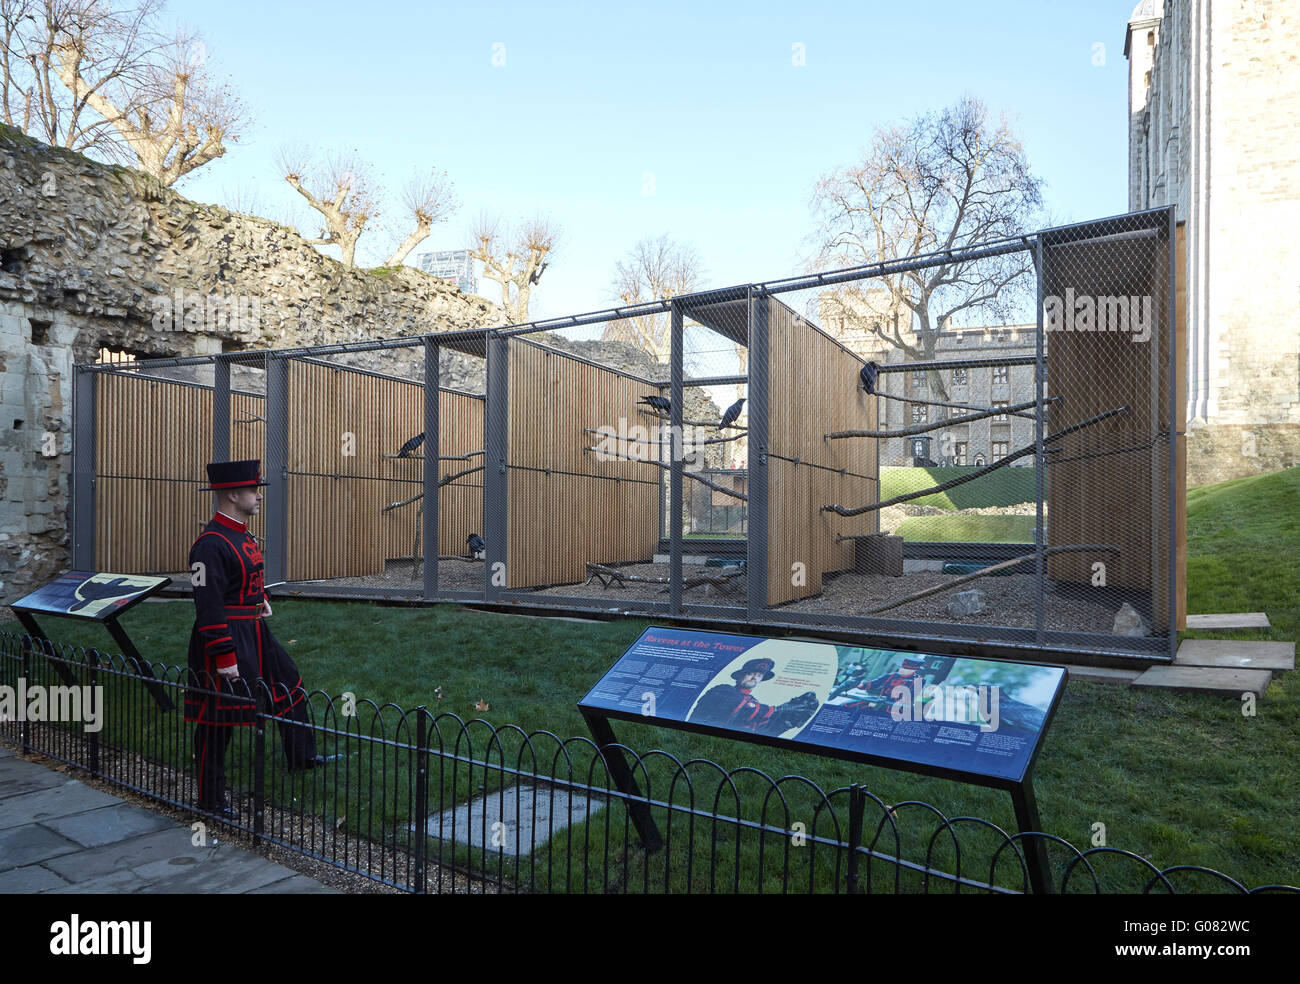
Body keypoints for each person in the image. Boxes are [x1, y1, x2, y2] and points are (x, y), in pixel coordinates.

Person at [185, 459, 329, 817]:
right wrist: (224, 657)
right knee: (219, 717)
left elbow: (243, 575)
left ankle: (302, 756)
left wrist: (258, 598)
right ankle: (210, 798)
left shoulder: (241, 532)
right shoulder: (209, 544)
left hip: (254, 630)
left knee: (289, 684)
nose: (258, 496)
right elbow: (208, 606)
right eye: (254, 490)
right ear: (233, 494)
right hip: (228, 637)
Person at [688, 657, 820, 736]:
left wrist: (786, 719)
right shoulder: (723, 690)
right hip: (700, 735)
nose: (754, 677)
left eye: (759, 675)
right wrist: (780, 709)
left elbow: (759, 725)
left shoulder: (754, 702)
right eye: (751, 673)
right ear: (741, 675)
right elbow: (745, 709)